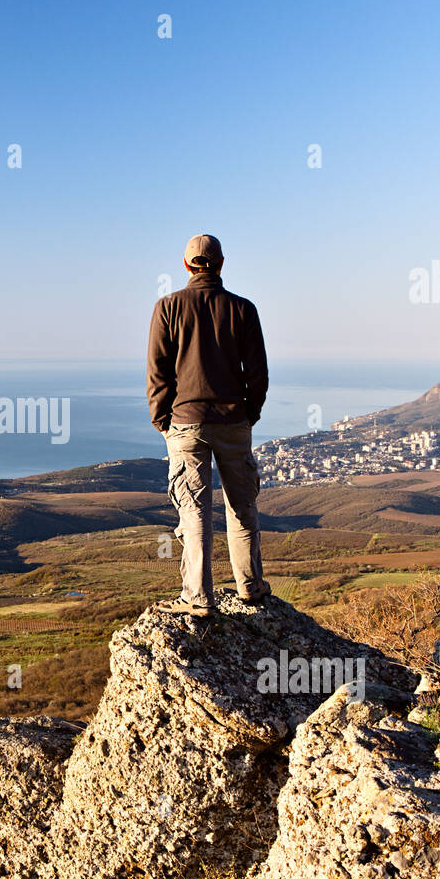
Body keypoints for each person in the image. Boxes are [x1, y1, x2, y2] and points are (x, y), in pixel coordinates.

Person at [146, 233, 271, 617]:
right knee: (241, 506)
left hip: (185, 422)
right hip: (233, 420)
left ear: (186, 265)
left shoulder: (168, 307)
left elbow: (158, 371)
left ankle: (198, 598)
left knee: (195, 510)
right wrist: (250, 412)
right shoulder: (243, 309)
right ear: (220, 264)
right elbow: (258, 373)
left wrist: (162, 419)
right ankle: (249, 586)